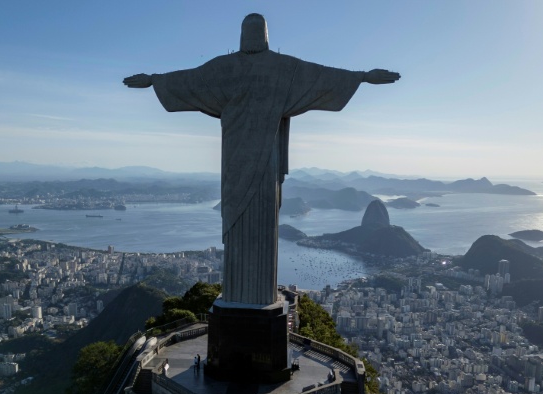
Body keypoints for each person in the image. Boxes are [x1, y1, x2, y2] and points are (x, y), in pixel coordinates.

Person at [124, 13, 399, 306]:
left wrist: (363, 77)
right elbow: (189, 79)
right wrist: (154, 81)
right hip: (238, 160)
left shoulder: (267, 68)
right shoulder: (244, 69)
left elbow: (319, 76)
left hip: (256, 160)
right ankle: (241, 297)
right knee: (238, 218)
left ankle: (250, 297)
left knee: (260, 219)